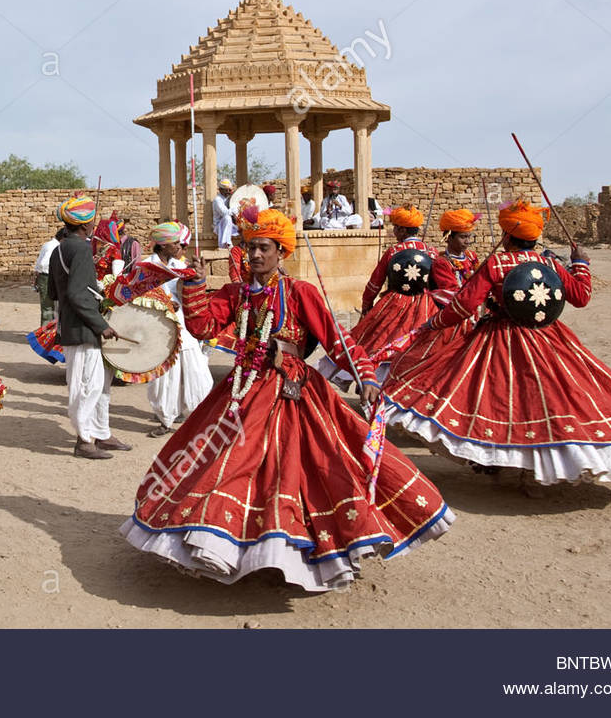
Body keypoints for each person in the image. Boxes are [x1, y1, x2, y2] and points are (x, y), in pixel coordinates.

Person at [121, 204, 453, 591]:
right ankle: (228, 545)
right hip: (240, 390)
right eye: (251, 247)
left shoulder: (300, 292)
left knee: (296, 469)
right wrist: (193, 284)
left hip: (290, 390)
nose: (257, 254)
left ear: (282, 252)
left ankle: (288, 551)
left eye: (265, 247)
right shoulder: (235, 293)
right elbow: (202, 327)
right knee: (229, 463)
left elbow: (335, 338)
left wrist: (365, 376)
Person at [383, 200, 611, 488]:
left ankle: (504, 460)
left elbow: (464, 306)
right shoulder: (548, 262)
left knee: (499, 399)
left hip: (500, 340)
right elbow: (581, 296)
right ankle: (544, 464)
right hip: (549, 338)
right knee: (548, 397)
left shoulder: (496, 264)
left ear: (506, 236)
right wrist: (580, 263)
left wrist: (431, 325)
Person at [49, 195, 125, 459]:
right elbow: (77, 293)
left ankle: (102, 433)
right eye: (91, 220)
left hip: (71, 321)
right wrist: (100, 323)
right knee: (88, 385)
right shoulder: (80, 248)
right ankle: (84, 440)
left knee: (101, 382)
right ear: (85, 225)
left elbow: (55, 292)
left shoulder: (58, 248)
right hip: (83, 327)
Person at [144, 222, 213, 437]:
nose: (181, 247)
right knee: (164, 377)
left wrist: (197, 276)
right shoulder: (146, 265)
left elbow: (191, 292)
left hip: (183, 326)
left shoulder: (180, 265)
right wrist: (162, 303)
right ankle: (165, 419)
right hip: (157, 327)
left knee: (197, 372)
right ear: (164, 245)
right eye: (177, 243)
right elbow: (137, 294)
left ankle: (198, 415)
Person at [349, 205, 438, 357]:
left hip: (394, 302)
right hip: (426, 305)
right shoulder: (432, 252)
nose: (394, 232)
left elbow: (375, 282)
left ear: (403, 230)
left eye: (395, 228)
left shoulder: (394, 251)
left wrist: (367, 305)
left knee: (379, 339)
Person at [431, 208, 482, 302]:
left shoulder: (471, 256)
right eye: (463, 237)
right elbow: (450, 292)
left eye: (469, 237)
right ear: (449, 238)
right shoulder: (442, 262)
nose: (467, 241)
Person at [33, 228, 65, 324]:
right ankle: (46, 333)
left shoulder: (47, 245)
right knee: (48, 306)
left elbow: (38, 264)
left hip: (44, 277)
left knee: (49, 306)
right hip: (48, 277)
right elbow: (43, 264)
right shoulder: (55, 247)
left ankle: (49, 330)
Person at [212, 179, 237, 248]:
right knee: (227, 218)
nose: (228, 192)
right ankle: (225, 243)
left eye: (230, 190)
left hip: (231, 225)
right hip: (219, 226)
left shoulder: (230, 199)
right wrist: (236, 210)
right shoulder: (217, 200)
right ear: (220, 190)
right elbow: (225, 213)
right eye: (226, 190)